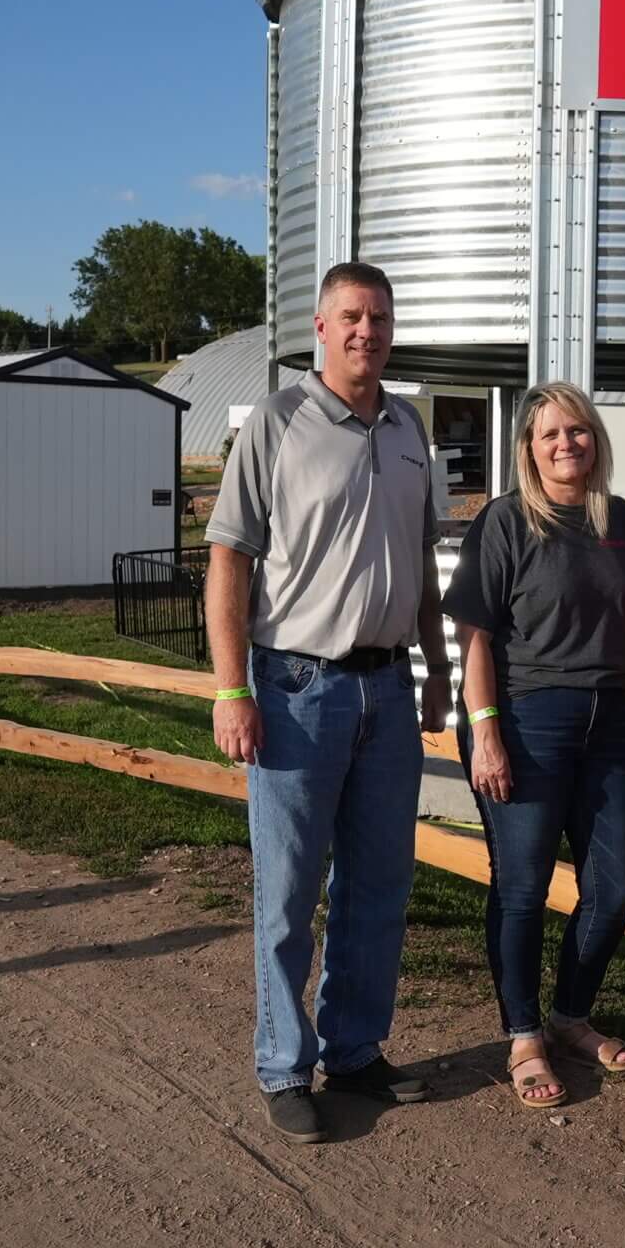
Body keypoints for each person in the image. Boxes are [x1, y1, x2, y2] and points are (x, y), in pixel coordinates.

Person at [204, 260, 450, 1146]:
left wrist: (439, 669)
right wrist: (232, 687)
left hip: (388, 686)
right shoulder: (278, 422)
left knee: (379, 883)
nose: (366, 332)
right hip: (297, 689)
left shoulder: (409, 427)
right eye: (351, 317)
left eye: (379, 318)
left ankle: (353, 1049)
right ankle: (283, 1065)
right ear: (320, 325)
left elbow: (421, 565)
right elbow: (228, 561)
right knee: (288, 889)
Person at [445, 382, 625, 1108]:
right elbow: (472, 635)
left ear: (596, 440)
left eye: (579, 432)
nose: (567, 444)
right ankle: (524, 1035)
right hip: (530, 721)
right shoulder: (506, 523)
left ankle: (570, 1014)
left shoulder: (621, 521)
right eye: (551, 435)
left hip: (613, 723)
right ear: (529, 449)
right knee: (523, 887)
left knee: (616, 883)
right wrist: (485, 735)